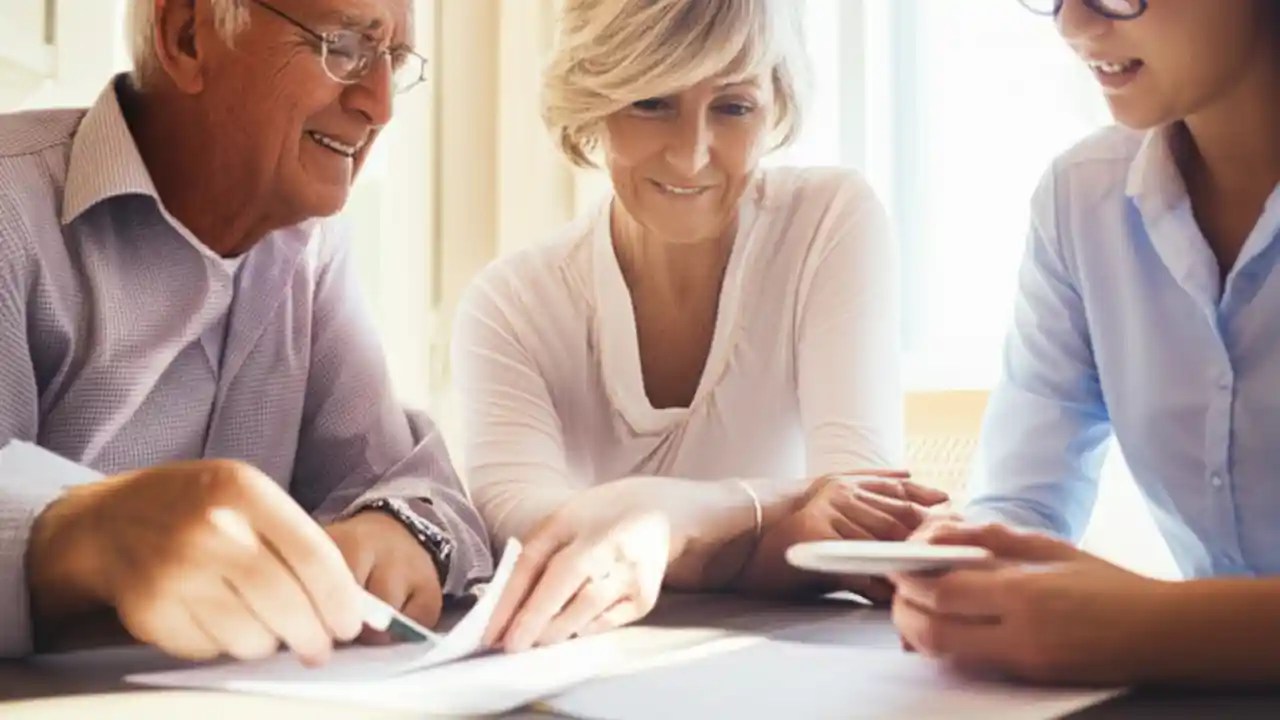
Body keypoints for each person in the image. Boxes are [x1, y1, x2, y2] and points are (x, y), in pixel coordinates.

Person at [0, 0, 491, 664]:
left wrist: (396, 530)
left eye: (394, 62)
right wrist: (79, 536)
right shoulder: (10, 211)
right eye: (343, 44)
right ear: (188, 36)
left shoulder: (311, 250)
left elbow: (415, 486)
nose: (380, 105)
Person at [454, 0, 949, 654]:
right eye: (652, 103)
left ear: (774, 104)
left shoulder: (829, 222)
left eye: (733, 107)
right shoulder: (509, 305)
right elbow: (533, 535)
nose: (691, 156)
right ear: (596, 100)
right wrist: (772, 521)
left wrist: (660, 527)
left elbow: (860, 537)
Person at [893, 0, 1280, 685]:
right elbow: (1023, 503)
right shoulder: (1083, 199)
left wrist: (1160, 628)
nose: (1073, 24)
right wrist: (965, 567)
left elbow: (1158, 631)